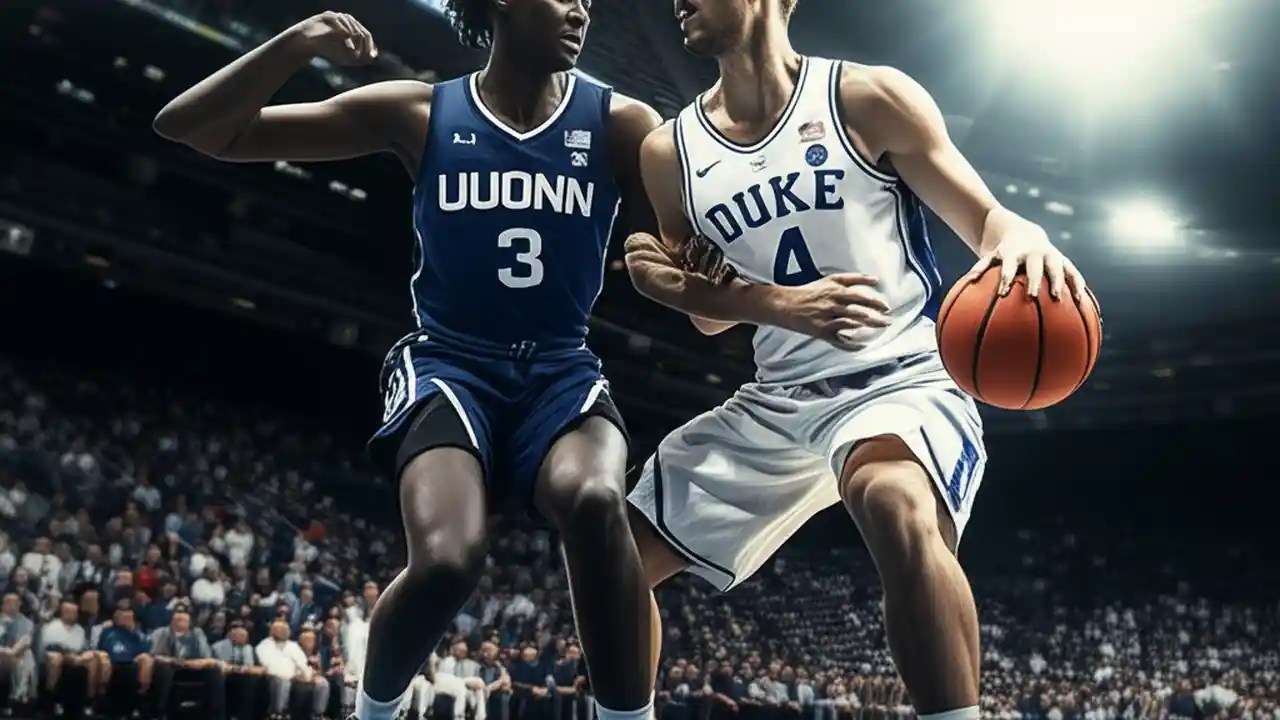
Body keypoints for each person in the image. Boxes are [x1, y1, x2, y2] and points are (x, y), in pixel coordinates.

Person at [152, 1, 664, 719]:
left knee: (597, 501)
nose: (582, 8)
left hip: (561, 370)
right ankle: (372, 713)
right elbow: (194, 127)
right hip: (451, 367)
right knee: (448, 561)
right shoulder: (421, 111)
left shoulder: (622, 123)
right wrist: (298, 42)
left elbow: (688, 243)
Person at [622, 1, 1089, 719]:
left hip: (896, 376)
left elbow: (986, 220)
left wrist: (1024, 236)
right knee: (610, 560)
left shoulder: (867, 98)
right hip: (779, 395)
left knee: (892, 500)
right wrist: (721, 294)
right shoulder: (669, 152)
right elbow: (710, 319)